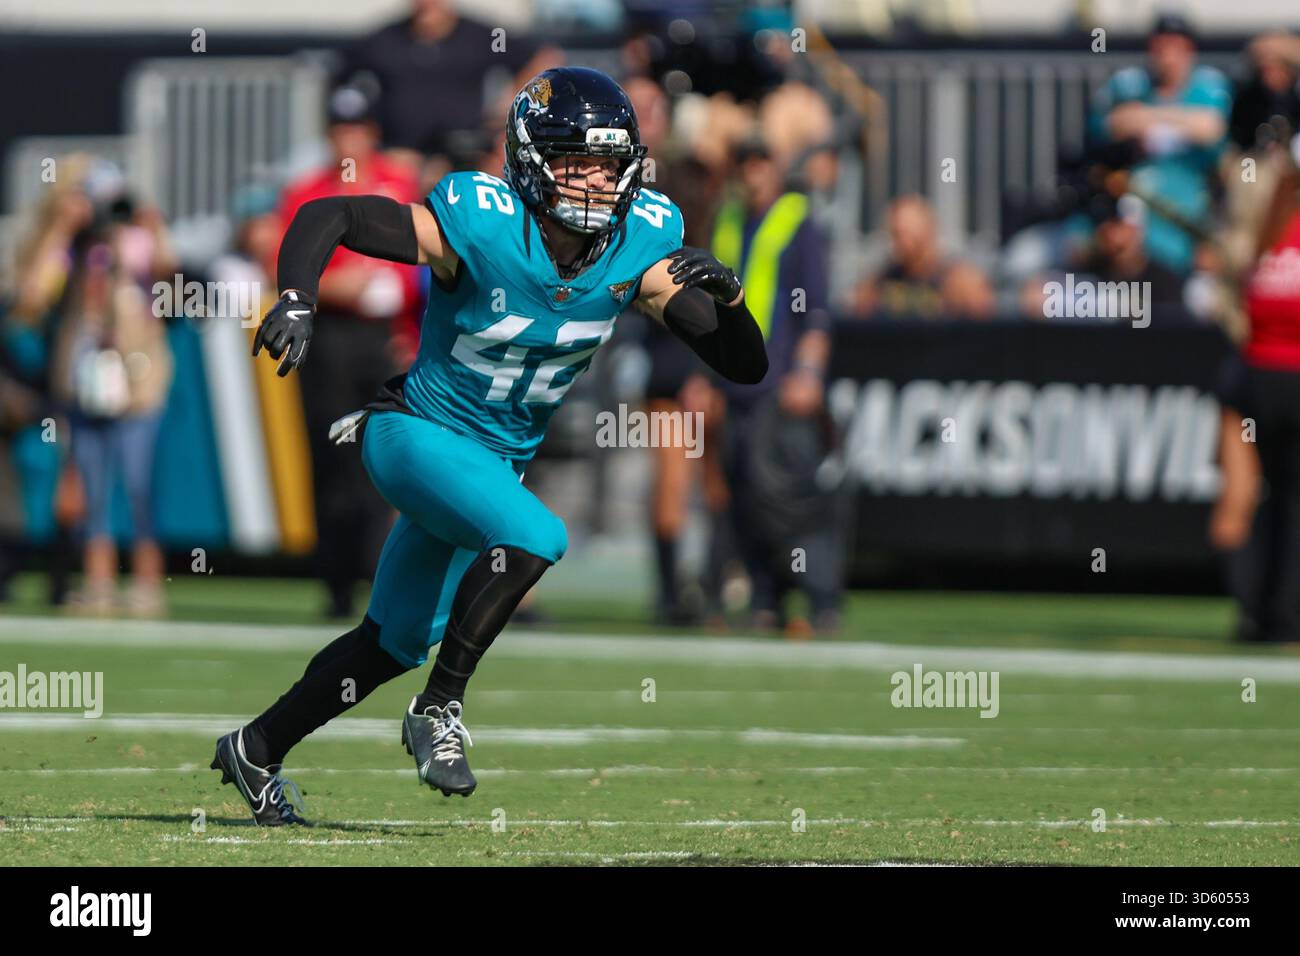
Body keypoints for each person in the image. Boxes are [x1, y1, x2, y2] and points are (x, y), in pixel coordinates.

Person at [211, 67, 768, 826]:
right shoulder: (482, 221)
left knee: (392, 640)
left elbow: (745, 365)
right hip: (415, 433)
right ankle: (439, 709)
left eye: (608, 163)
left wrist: (731, 301)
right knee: (537, 533)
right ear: (532, 161)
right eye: (577, 161)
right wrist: (299, 297)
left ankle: (256, 746)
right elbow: (331, 214)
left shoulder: (641, 244)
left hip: (489, 462)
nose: (597, 181)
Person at [278, 82, 423, 619]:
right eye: (341, 129)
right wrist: (343, 288)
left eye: (357, 128)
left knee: (390, 455)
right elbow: (288, 268)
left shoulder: (399, 183)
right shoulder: (307, 190)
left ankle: (379, 574)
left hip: (387, 336)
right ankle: (338, 580)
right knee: (333, 458)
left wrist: (412, 328)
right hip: (332, 336)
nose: (349, 140)